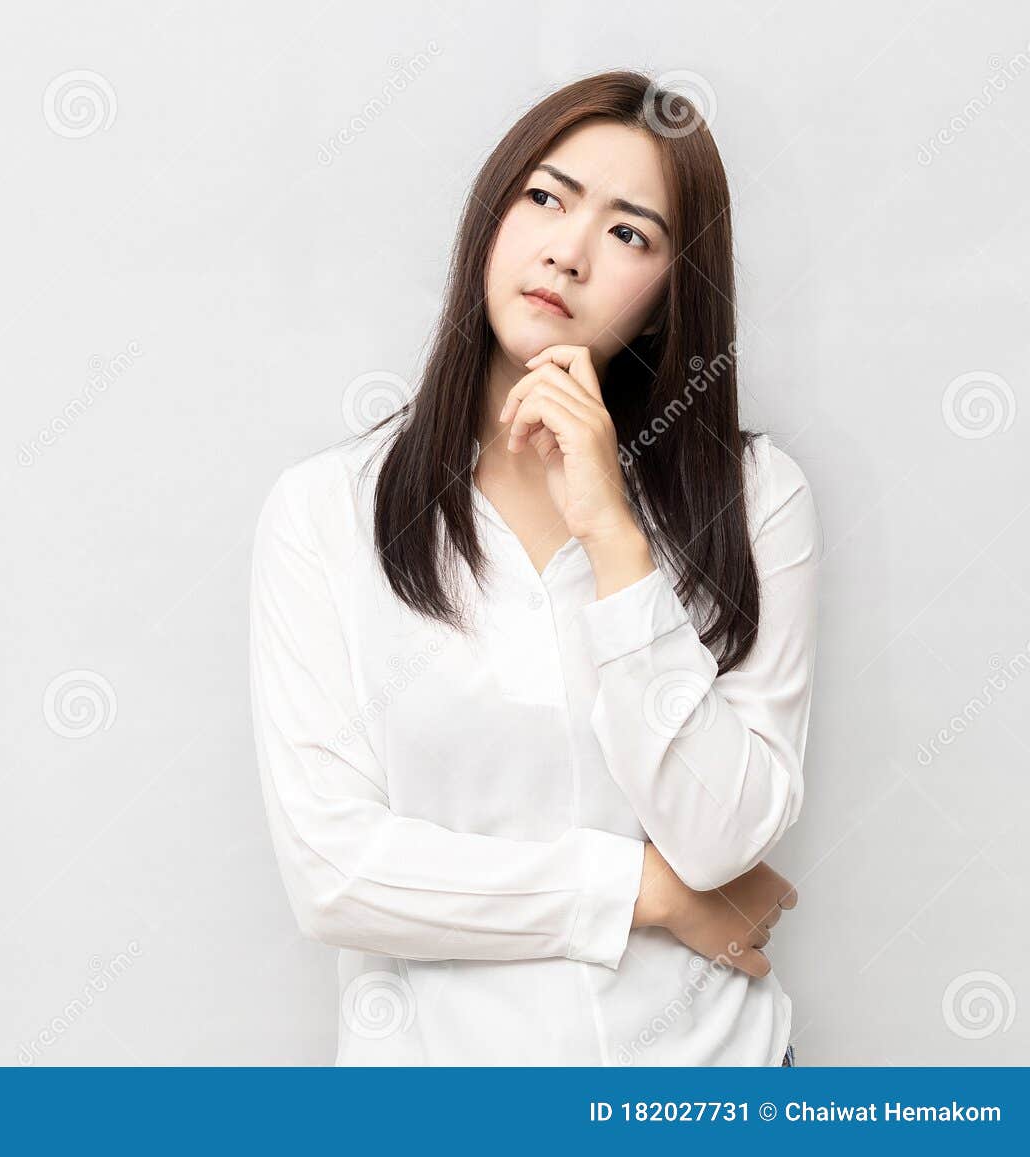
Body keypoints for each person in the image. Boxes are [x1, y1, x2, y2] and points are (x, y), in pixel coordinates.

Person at [247, 69, 820, 1066]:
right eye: (546, 198)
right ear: (491, 216)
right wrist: (651, 894)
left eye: (629, 233)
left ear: (663, 298)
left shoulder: (758, 496)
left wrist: (615, 540)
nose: (567, 249)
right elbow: (336, 870)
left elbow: (724, 833)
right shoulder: (325, 511)